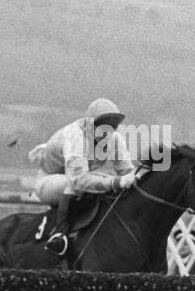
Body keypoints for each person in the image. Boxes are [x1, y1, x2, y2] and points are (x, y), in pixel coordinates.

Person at [30, 99, 138, 255]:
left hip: (75, 175)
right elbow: (79, 180)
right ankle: (59, 235)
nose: (109, 130)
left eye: (113, 125)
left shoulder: (115, 138)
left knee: (105, 179)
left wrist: (135, 177)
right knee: (77, 185)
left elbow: (126, 170)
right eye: (105, 124)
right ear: (91, 124)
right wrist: (116, 182)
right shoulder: (75, 136)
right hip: (50, 179)